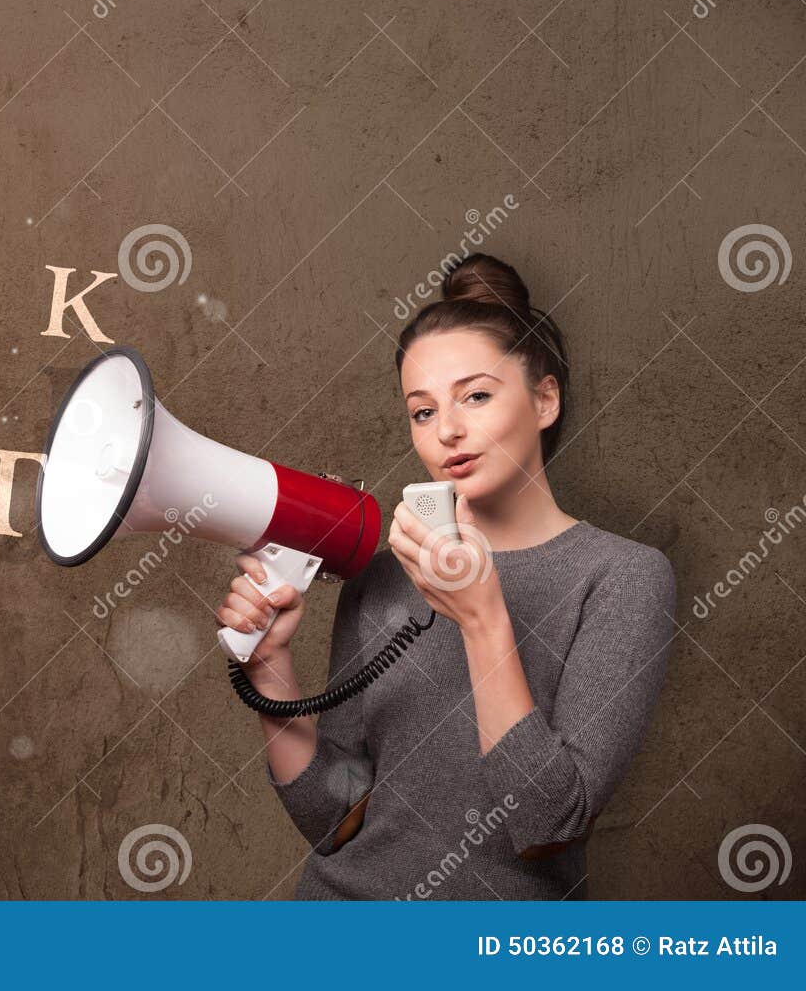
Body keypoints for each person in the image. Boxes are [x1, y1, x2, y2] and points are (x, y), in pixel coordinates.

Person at [215, 253, 675, 899]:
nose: (448, 432)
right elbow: (333, 821)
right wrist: (271, 673)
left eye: (476, 396)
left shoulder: (623, 578)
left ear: (544, 400)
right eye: (423, 412)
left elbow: (548, 824)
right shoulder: (383, 576)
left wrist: (483, 620)